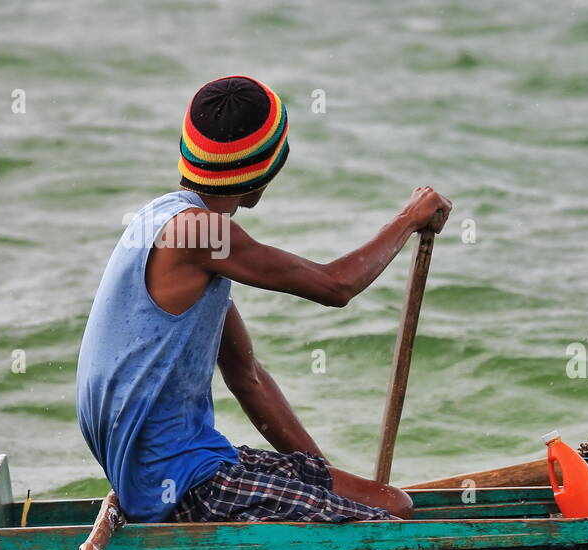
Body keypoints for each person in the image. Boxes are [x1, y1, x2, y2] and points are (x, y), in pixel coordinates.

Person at [75, 75, 450, 524]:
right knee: (384, 522)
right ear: (265, 170)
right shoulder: (200, 233)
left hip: (184, 465)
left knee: (393, 503)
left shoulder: (164, 220)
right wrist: (409, 218)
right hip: (181, 485)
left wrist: (319, 475)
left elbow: (246, 376)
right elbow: (336, 286)